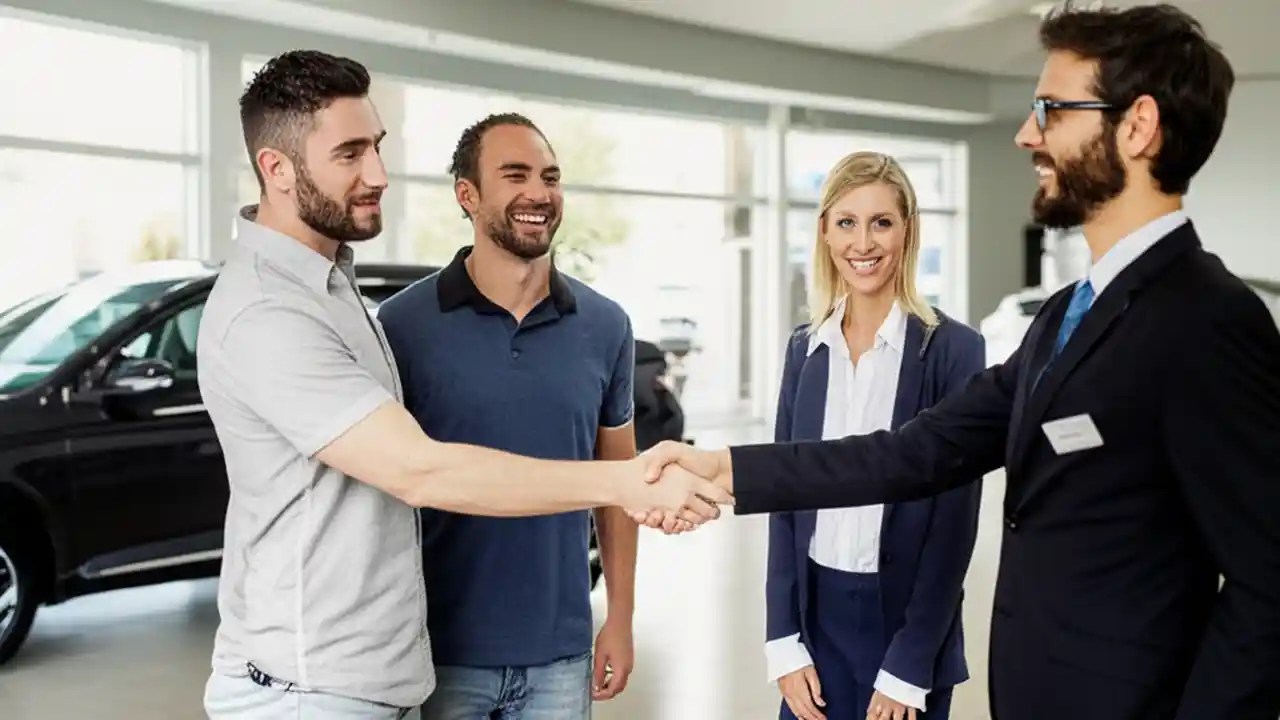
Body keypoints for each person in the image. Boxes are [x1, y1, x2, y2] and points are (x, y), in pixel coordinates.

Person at [643, 5, 1280, 720]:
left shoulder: (1209, 319)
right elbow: (911, 454)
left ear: (1135, 125)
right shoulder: (1067, 314)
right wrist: (726, 469)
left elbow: (1271, 586)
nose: (1026, 133)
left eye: (1051, 110)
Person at [197, 51, 729, 720]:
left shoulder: (333, 289)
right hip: (310, 688)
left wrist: (618, 606)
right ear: (276, 169)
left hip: (380, 674)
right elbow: (421, 471)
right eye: (350, 154)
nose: (379, 175)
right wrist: (625, 481)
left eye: (378, 149)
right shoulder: (272, 312)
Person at [377, 113, 639, 719]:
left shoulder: (607, 327)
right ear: (467, 196)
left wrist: (619, 618)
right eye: (514, 175)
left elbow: (618, 487)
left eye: (550, 177)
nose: (538, 193)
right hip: (440, 651)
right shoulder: (401, 327)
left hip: (562, 655)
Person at [765, 152, 984, 720]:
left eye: (881, 222)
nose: (863, 243)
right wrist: (783, 641)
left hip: (906, 629)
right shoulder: (803, 350)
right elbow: (782, 500)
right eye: (846, 222)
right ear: (824, 231)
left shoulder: (952, 352)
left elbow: (954, 525)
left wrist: (910, 665)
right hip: (815, 626)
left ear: (907, 230)